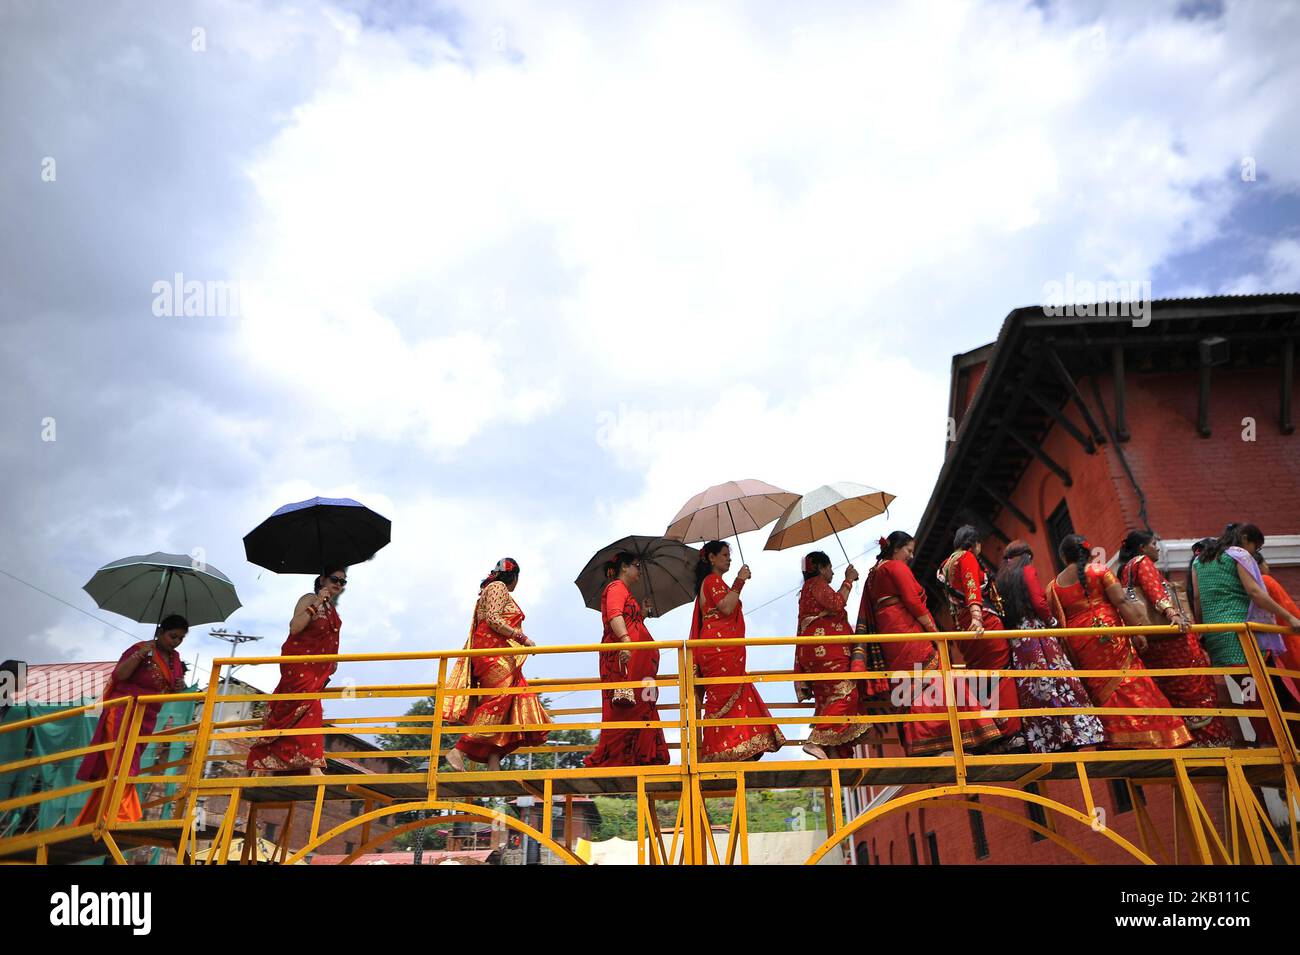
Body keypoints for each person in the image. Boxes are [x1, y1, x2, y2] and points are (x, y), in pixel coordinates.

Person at [860, 532, 1001, 756]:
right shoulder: (895, 568)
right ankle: (953, 739)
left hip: (891, 637)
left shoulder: (872, 576)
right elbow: (914, 602)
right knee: (934, 678)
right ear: (896, 548)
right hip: (907, 632)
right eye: (908, 550)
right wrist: (935, 632)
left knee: (912, 687)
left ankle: (926, 744)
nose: (911, 555)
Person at [1045, 535, 1191, 749]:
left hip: (1081, 641)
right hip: (1110, 631)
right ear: (1086, 551)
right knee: (1131, 679)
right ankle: (1159, 733)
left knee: (1100, 686)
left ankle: (1115, 738)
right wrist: (1138, 631)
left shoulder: (1053, 586)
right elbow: (1121, 601)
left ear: (1063, 557)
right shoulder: (1099, 571)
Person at [1118, 531, 1233, 747]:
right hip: (1173, 642)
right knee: (1194, 685)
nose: (1157, 548)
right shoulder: (1142, 563)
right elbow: (1154, 590)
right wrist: (1172, 613)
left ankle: (1189, 741)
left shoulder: (1125, 571)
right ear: (1142, 548)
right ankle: (1212, 743)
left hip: (1154, 645)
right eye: (1153, 544)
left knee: (1174, 690)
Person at [75, 615, 189, 825]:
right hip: (123, 711)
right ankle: (124, 816)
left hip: (147, 716)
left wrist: (179, 685)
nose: (176, 641)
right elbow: (119, 676)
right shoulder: (140, 649)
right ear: (160, 632)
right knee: (123, 763)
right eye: (173, 636)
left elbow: (171, 688)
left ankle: (94, 818)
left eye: (181, 638)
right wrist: (139, 655)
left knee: (122, 765)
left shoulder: (175, 659)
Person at [994, 540, 1103, 753]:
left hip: (1018, 641)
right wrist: (1051, 621)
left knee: (1034, 688)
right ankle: (1073, 734)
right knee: (1059, 680)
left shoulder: (1002, 579)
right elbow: (1038, 601)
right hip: (1037, 635)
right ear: (1027, 556)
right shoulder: (1027, 570)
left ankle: (1048, 739)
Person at [443, 559, 552, 772]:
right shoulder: (498, 587)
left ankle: (494, 761)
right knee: (498, 699)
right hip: (492, 653)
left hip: (498, 652)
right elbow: (493, 619)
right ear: (515, 577)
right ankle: (459, 750)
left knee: (512, 701)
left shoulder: (491, 588)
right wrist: (522, 637)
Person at [689, 540, 785, 762]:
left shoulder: (716, 582)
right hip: (718, 650)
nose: (729, 558)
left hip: (726, 650)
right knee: (724, 696)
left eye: (729, 555)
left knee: (736, 692)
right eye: (724, 555)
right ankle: (721, 750)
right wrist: (740, 580)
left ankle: (738, 746)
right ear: (711, 558)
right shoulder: (712, 580)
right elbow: (726, 606)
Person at [248, 569, 347, 775]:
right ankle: (313, 766)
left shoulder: (332, 610)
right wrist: (318, 602)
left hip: (318, 671)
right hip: (299, 667)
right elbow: (295, 627)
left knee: (300, 712)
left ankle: (261, 763)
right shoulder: (309, 599)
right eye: (335, 579)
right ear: (322, 579)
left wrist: (331, 664)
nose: (339, 584)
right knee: (306, 709)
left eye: (343, 581)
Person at [937, 525, 1023, 750]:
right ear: (974, 543)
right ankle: (1011, 732)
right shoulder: (966, 558)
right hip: (983, 625)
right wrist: (977, 617)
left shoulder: (946, 564)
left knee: (982, 678)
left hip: (963, 631)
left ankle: (991, 731)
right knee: (1002, 673)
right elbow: (972, 588)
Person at [585, 553, 670, 767]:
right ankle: (618, 759)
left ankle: (638, 756)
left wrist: (641, 612)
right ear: (624, 567)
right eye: (636, 566)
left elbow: (629, 620)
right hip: (623, 659)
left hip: (636, 661)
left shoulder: (625, 592)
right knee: (624, 708)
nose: (639, 570)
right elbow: (615, 615)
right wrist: (625, 641)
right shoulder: (615, 588)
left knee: (639, 704)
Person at [793, 551, 872, 759]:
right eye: (829, 568)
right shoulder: (817, 584)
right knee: (846, 692)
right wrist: (849, 579)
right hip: (826, 649)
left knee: (828, 699)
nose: (832, 573)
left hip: (815, 650)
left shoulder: (807, 589)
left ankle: (833, 750)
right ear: (820, 568)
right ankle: (815, 740)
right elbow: (837, 603)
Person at [1193, 524, 1300, 667]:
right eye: (1256, 547)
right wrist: (1289, 617)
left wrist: (1202, 629)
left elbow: (1197, 598)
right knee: (1254, 685)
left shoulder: (1199, 561)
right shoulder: (1239, 555)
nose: (1255, 552)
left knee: (1231, 685)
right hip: (1241, 634)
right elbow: (1254, 592)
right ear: (1245, 538)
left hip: (1215, 634)